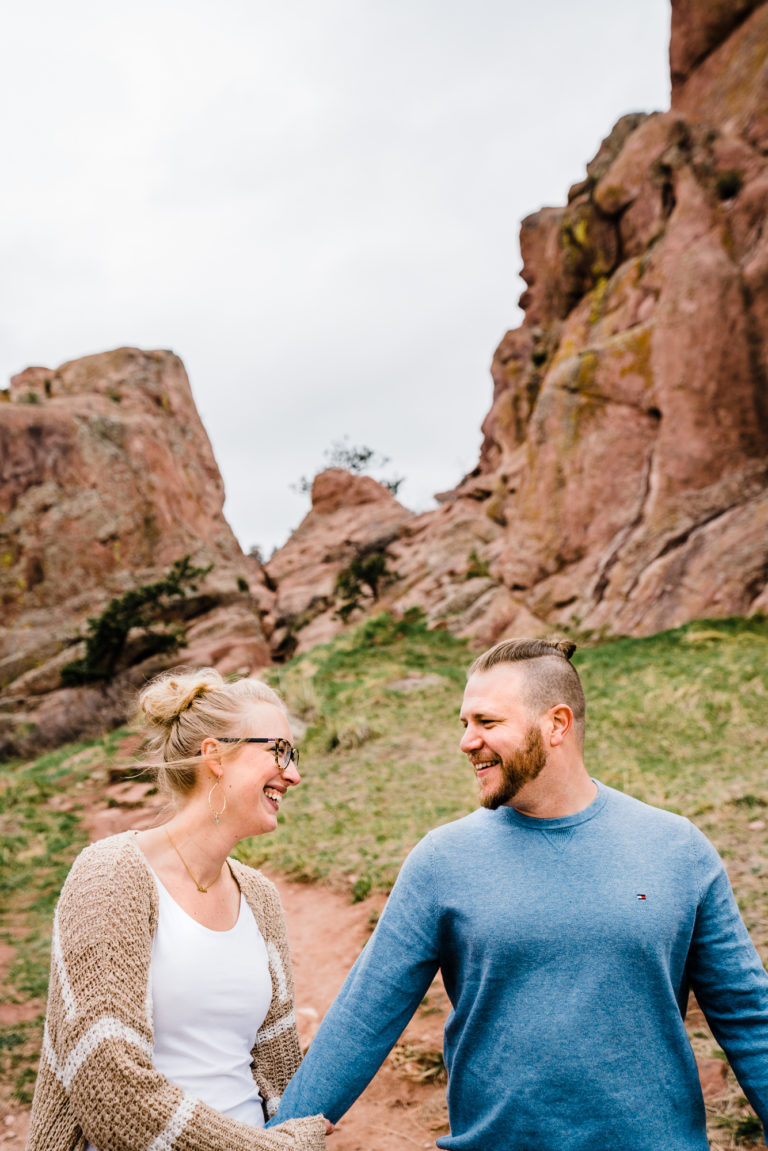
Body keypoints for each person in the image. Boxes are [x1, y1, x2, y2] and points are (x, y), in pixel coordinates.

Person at [271, 637, 768, 1149]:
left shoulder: (676, 848)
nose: (467, 741)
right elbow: (363, 1018)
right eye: (464, 724)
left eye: (487, 722)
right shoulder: (442, 861)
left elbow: (749, 1017)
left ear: (556, 725)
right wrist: (277, 1140)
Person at [28, 667, 330, 1151]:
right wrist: (274, 1149)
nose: (293, 773)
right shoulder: (111, 874)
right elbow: (110, 1092)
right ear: (215, 755)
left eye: (293, 755)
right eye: (278, 750)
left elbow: (277, 1068)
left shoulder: (261, 898)